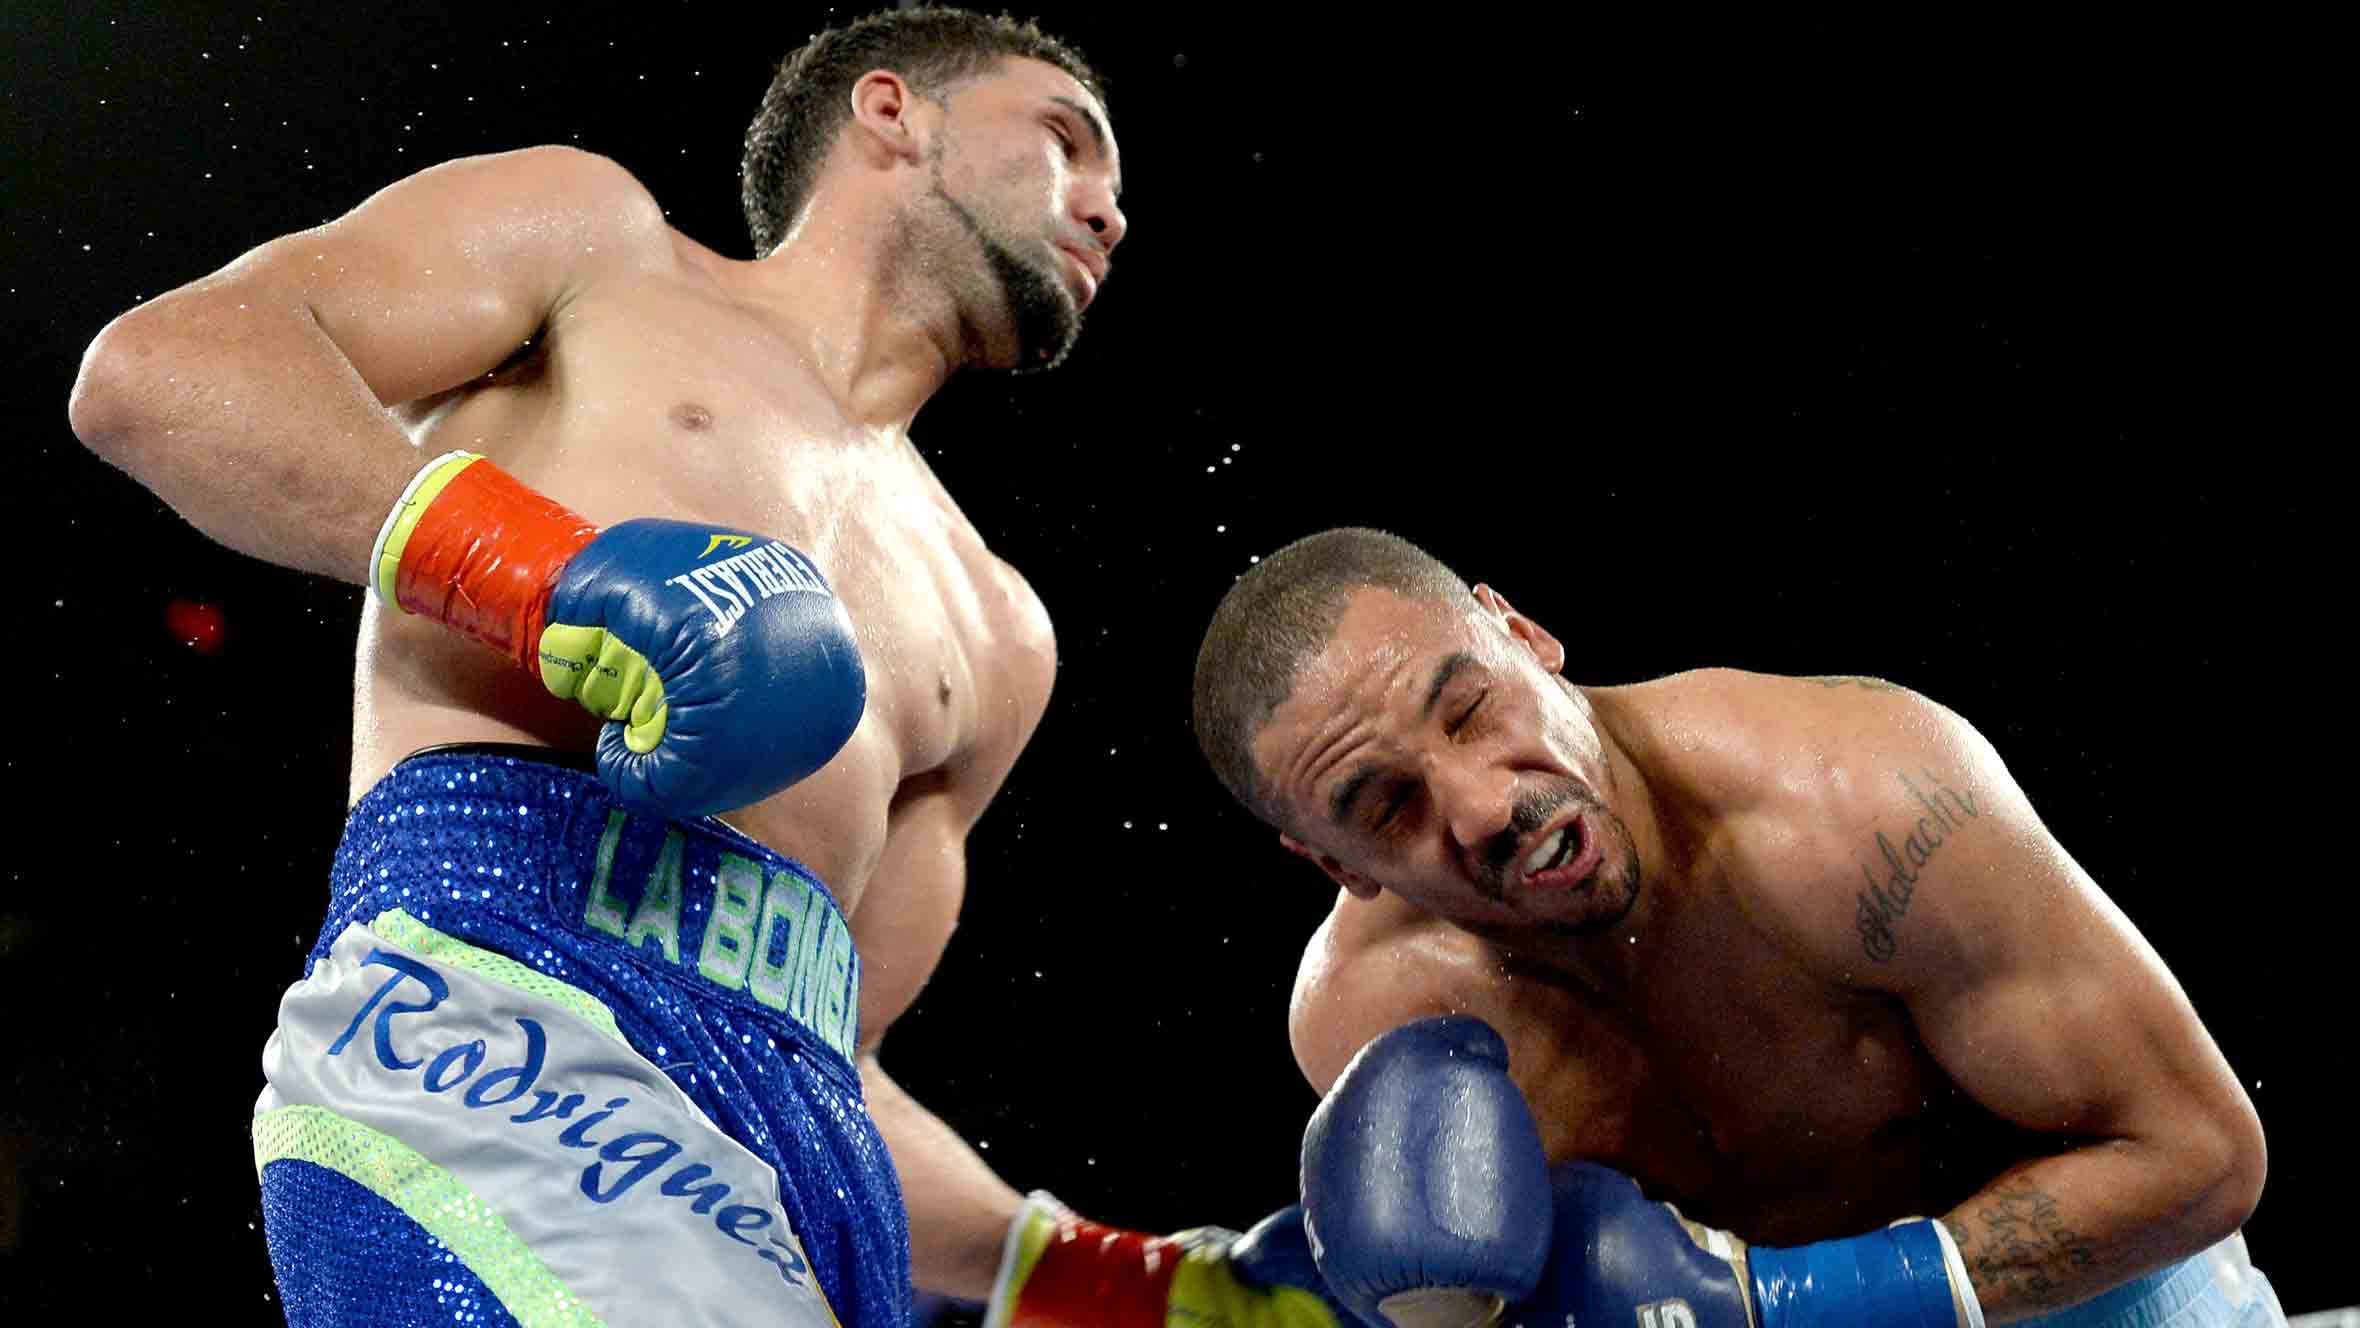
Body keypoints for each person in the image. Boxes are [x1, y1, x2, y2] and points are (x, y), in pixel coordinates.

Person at [68, 9, 1340, 1327]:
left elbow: (826, 1059)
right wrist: (547, 579)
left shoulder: (999, 635)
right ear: (893, 114)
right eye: (1070, 144)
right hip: (489, 1044)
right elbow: (162, 370)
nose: (1108, 211)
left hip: (792, 1188)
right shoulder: (602, 253)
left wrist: (1111, 1278)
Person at [1189, 525, 2288, 1327]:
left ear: (1524, 634)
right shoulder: (1368, 1018)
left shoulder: (1859, 799)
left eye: (1471, 708)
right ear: (1334, 863)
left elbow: (2199, 1153)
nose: (1482, 805)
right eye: (1388, 805)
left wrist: (1779, 1304)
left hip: (2105, 1294)